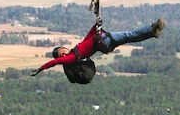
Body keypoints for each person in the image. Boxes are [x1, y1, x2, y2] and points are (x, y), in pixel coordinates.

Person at [30, 18, 166, 82]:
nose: (64, 53)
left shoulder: (77, 51)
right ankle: (151, 29)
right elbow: (54, 63)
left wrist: (96, 25)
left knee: (129, 37)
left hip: (102, 41)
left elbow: (88, 38)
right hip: (104, 41)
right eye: (61, 54)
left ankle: (152, 32)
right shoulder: (71, 58)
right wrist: (41, 68)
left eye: (63, 50)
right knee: (129, 35)